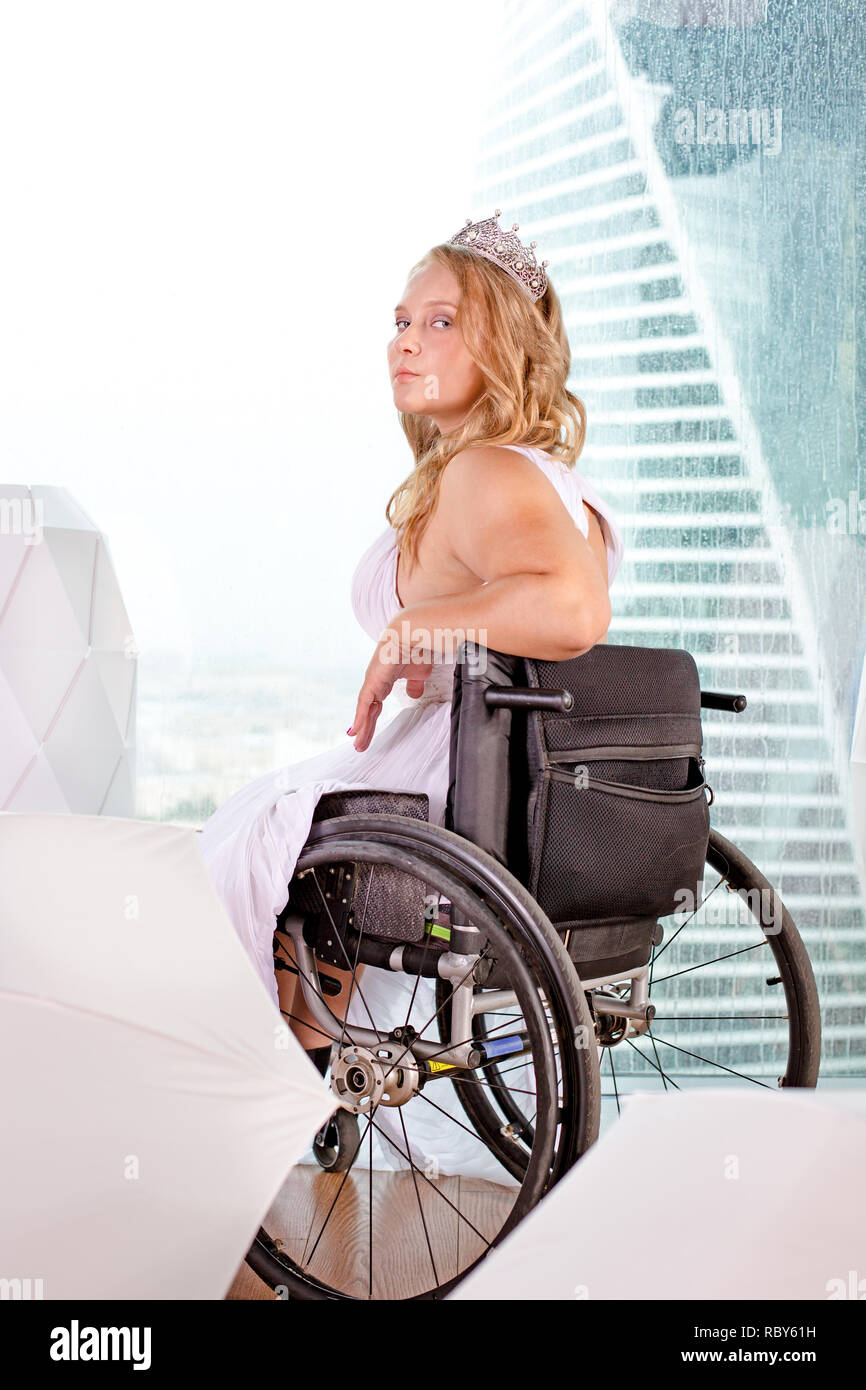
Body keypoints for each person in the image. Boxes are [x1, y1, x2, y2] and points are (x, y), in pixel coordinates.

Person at [198, 212, 625, 1178]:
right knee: (274, 824)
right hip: (500, 760)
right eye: (400, 320)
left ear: (506, 343)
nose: (405, 341)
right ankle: (307, 1075)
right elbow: (513, 623)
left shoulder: (485, 473)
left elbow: (569, 611)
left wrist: (408, 631)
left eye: (441, 323)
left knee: (257, 837)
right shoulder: (530, 477)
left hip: (461, 782)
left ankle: (274, 1086)